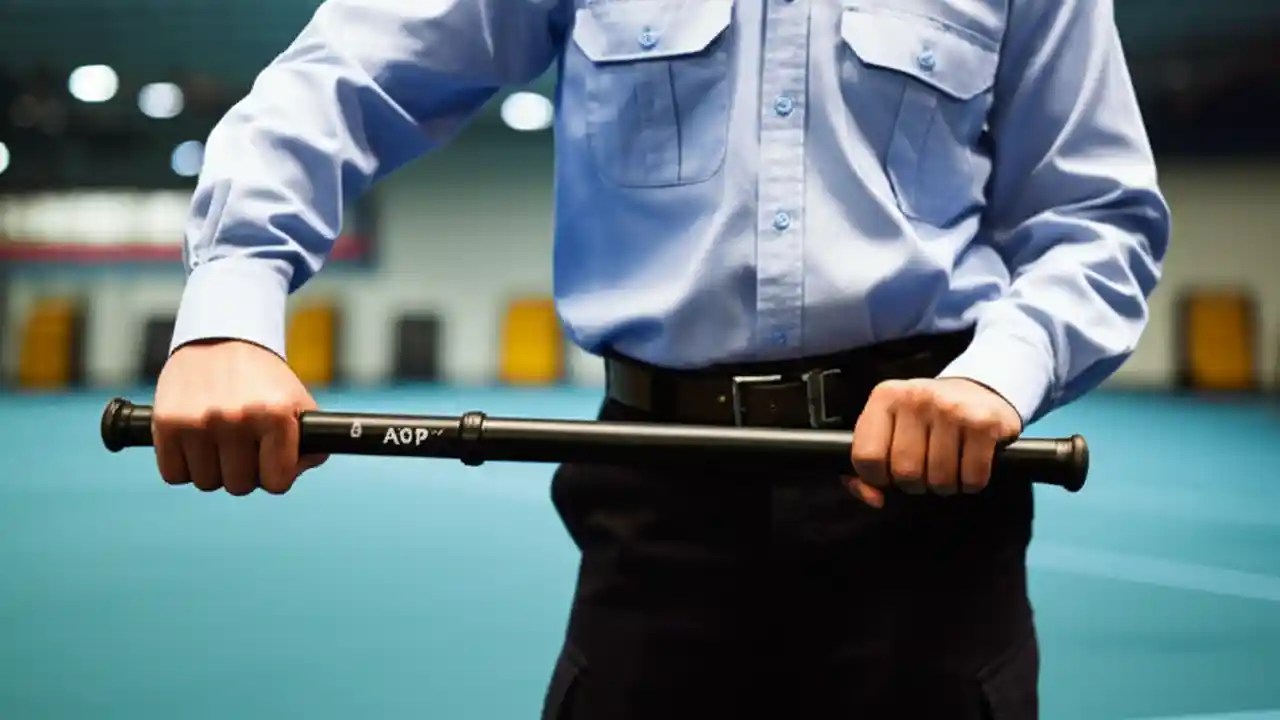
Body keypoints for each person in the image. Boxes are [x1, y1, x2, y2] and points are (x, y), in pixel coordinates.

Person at [150, 1, 1170, 717]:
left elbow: (1094, 216)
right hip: (658, 497)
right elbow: (341, 76)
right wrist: (231, 307)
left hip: (925, 496)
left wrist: (994, 375)